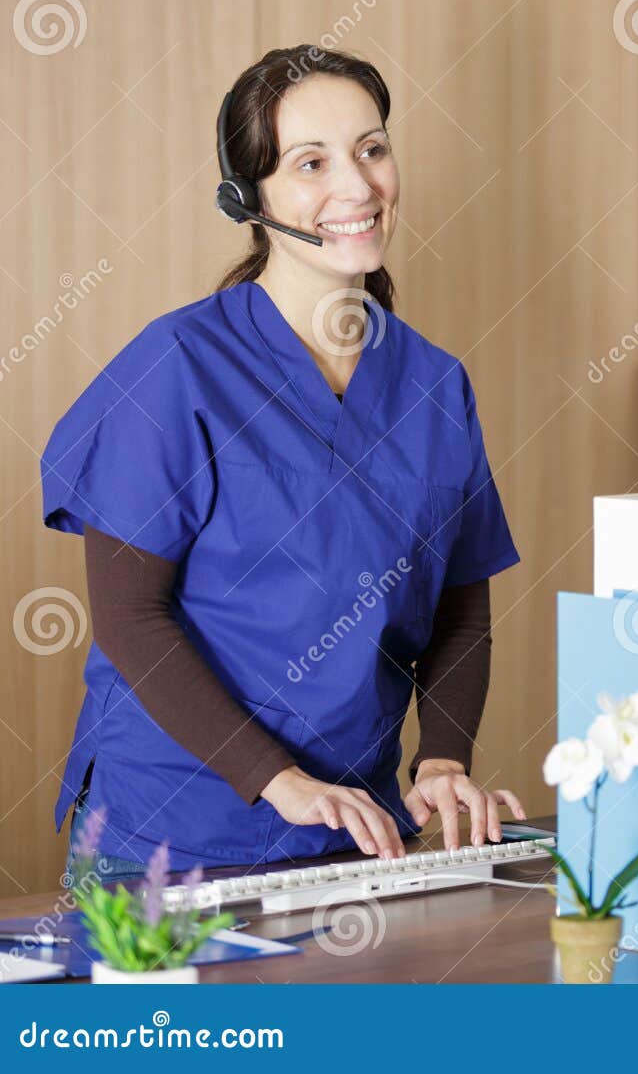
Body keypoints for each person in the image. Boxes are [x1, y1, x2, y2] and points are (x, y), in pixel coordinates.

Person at [46, 46, 526, 885]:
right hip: (170, 830)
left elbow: (460, 610)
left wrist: (443, 757)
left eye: (372, 149)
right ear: (249, 198)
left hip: (350, 827)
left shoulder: (434, 383)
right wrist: (279, 781)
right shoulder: (177, 367)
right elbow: (130, 619)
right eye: (311, 163)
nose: (357, 186)